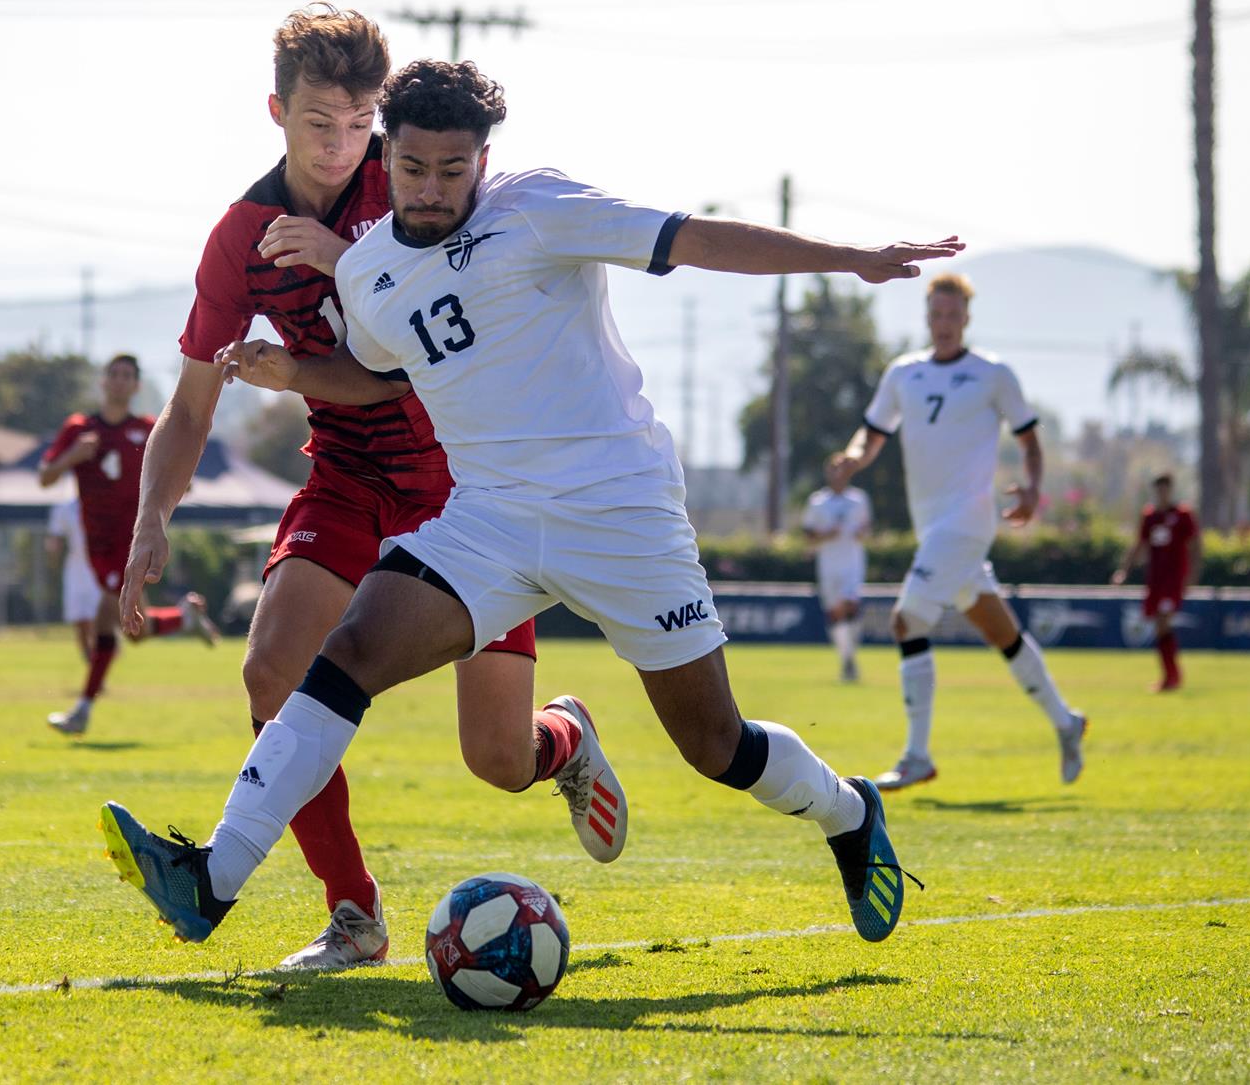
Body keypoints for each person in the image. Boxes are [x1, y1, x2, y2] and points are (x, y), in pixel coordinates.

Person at [100, 58, 958, 951]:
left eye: (454, 169)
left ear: (482, 159)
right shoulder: (370, 272)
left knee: (715, 743)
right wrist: (297, 376)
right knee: (344, 655)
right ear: (387, 158)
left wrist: (851, 259)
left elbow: (699, 238)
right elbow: (378, 373)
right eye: (414, 169)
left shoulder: (539, 207)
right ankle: (213, 879)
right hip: (490, 518)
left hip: (620, 514)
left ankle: (848, 812)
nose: (431, 190)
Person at [112, 9, 625, 972]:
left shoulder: (422, 197)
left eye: (358, 126)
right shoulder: (241, 236)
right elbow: (188, 406)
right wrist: (150, 517)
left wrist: (340, 266)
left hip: (464, 488)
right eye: (319, 123)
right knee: (271, 673)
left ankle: (566, 738)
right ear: (276, 111)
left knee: (498, 758)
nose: (343, 145)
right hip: (346, 477)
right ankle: (355, 913)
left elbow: (409, 360)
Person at [829, 274, 1088, 792]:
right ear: (926, 317)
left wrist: (1034, 489)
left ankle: (917, 756)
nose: (943, 325)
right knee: (1001, 633)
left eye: (953, 316)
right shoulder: (904, 373)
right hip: (933, 529)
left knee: (908, 620)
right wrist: (855, 457)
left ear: (966, 318)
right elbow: (873, 432)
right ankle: (1066, 721)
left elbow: (1031, 442)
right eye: (936, 315)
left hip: (969, 521)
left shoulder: (993, 374)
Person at [38, 353, 217, 737]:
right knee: (132, 628)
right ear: (102, 382)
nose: (119, 381)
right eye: (113, 374)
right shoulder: (79, 427)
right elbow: (45, 477)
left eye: (127, 376)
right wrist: (73, 456)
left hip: (133, 540)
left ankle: (82, 710)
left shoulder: (149, 429)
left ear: (136, 386)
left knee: (110, 617)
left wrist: (169, 490)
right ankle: (183, 618)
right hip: (96, 544)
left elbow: (182, 477)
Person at [1113, 472, 1200, 692]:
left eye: (1165, 489)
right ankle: (1170, 675)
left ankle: (1172, 676)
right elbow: (1138, 544)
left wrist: (1191, 576)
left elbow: (1195, 545)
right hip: (1156, 580)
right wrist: (1124, 570)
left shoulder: (1183, 515)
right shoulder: (1150, 516)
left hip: (1174, 579)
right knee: (1160, 626)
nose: (1162, 493)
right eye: (1158, 489)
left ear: (1170, 490)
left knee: (1163, 621)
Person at [801, 455, 872, 682]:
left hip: (852, 563)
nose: (839, 474)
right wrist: (825, 535)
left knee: (850, 604)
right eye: (834, 470)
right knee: (835, 612)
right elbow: (808, 532)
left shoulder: (859, 499)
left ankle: (849, 659)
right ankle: (847, 658)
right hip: (829, 565)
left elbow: (866, 529)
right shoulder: (818, 501)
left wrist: (862, 533)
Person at [46, 497, 99, 662]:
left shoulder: (103, 503)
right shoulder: (65, 509)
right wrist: (53, 551)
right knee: (80, 622)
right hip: (76, 572)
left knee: (98, 621)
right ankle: (92, 663)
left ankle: (102, 661)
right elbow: (55, 539)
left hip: (99, 570)